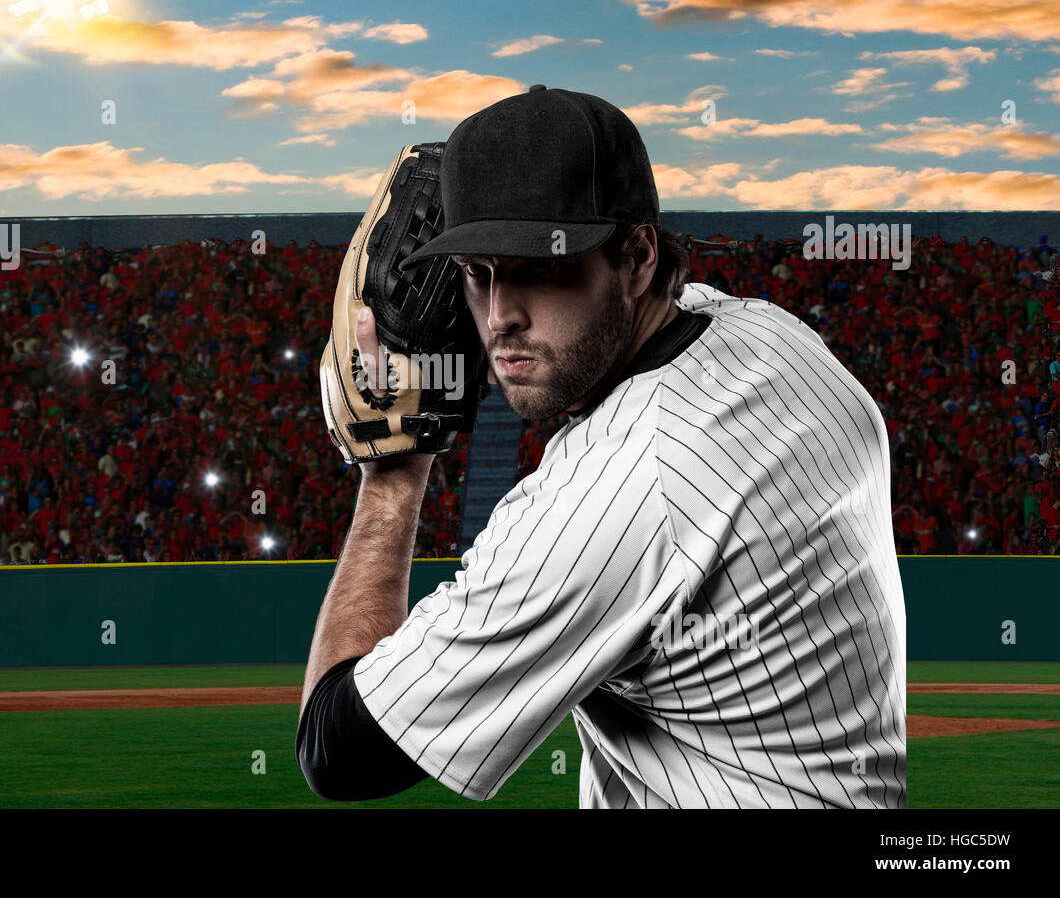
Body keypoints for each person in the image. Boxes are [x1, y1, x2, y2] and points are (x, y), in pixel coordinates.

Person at [296, 86, 906, 808]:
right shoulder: (772, 334)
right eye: (476, 272)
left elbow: (338, 752)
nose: (499, 319)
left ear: (638, 256)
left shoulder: (627, 489)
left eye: (538, 267)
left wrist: (394, 474)